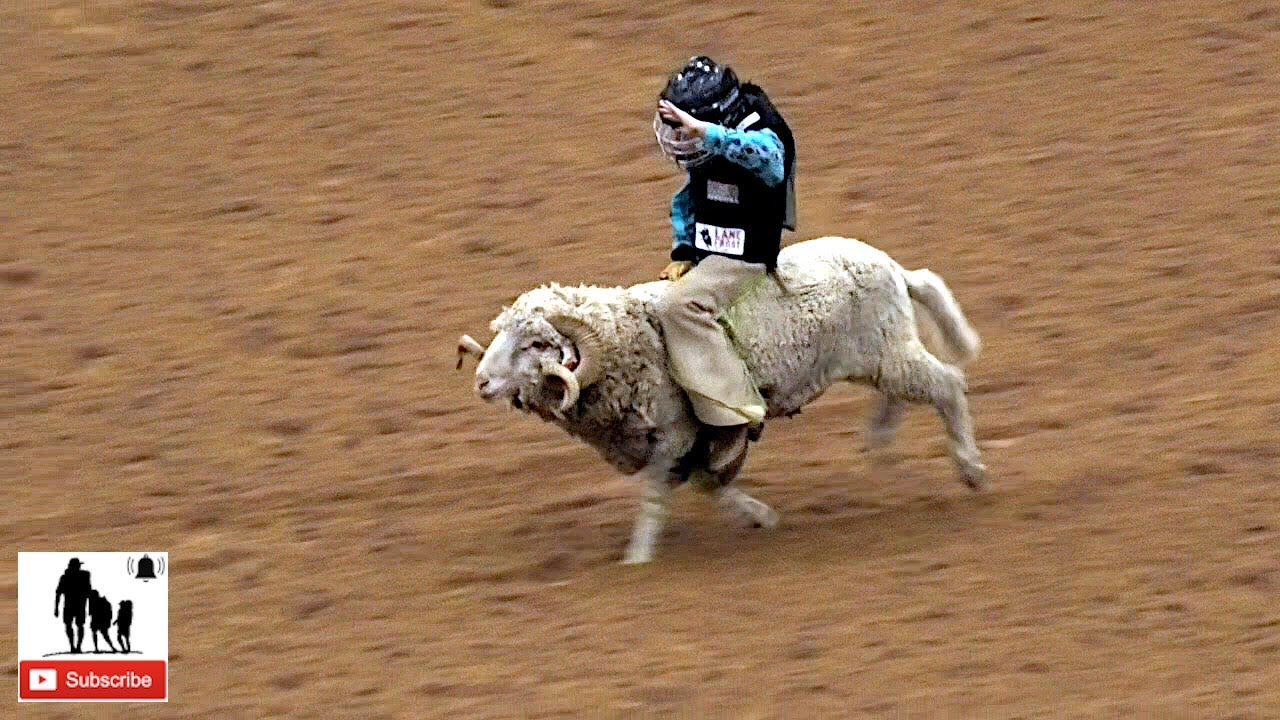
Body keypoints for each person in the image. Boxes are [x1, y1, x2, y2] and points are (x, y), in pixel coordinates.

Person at [651, 55, 797, 474]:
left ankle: (734, 416)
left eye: (683, 127)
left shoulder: (755, 127)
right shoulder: (705, 154)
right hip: (711, 253)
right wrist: (682, 251)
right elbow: (686, 202)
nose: (677, 137)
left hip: (747, 255)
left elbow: (772, 162)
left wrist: (709, 135)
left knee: (678, 307)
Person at [54, 557, 92, 654]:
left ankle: (75, 646)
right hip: (77, 605)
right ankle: (75, 646)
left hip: (72, 605)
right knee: (77, 625)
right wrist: (56, 608)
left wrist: (56, 608)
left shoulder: (66, 577)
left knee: (73, 625)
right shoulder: (84, 575)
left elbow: (58, 593)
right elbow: (88, 591)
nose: (79, 566)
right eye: (78, 565)